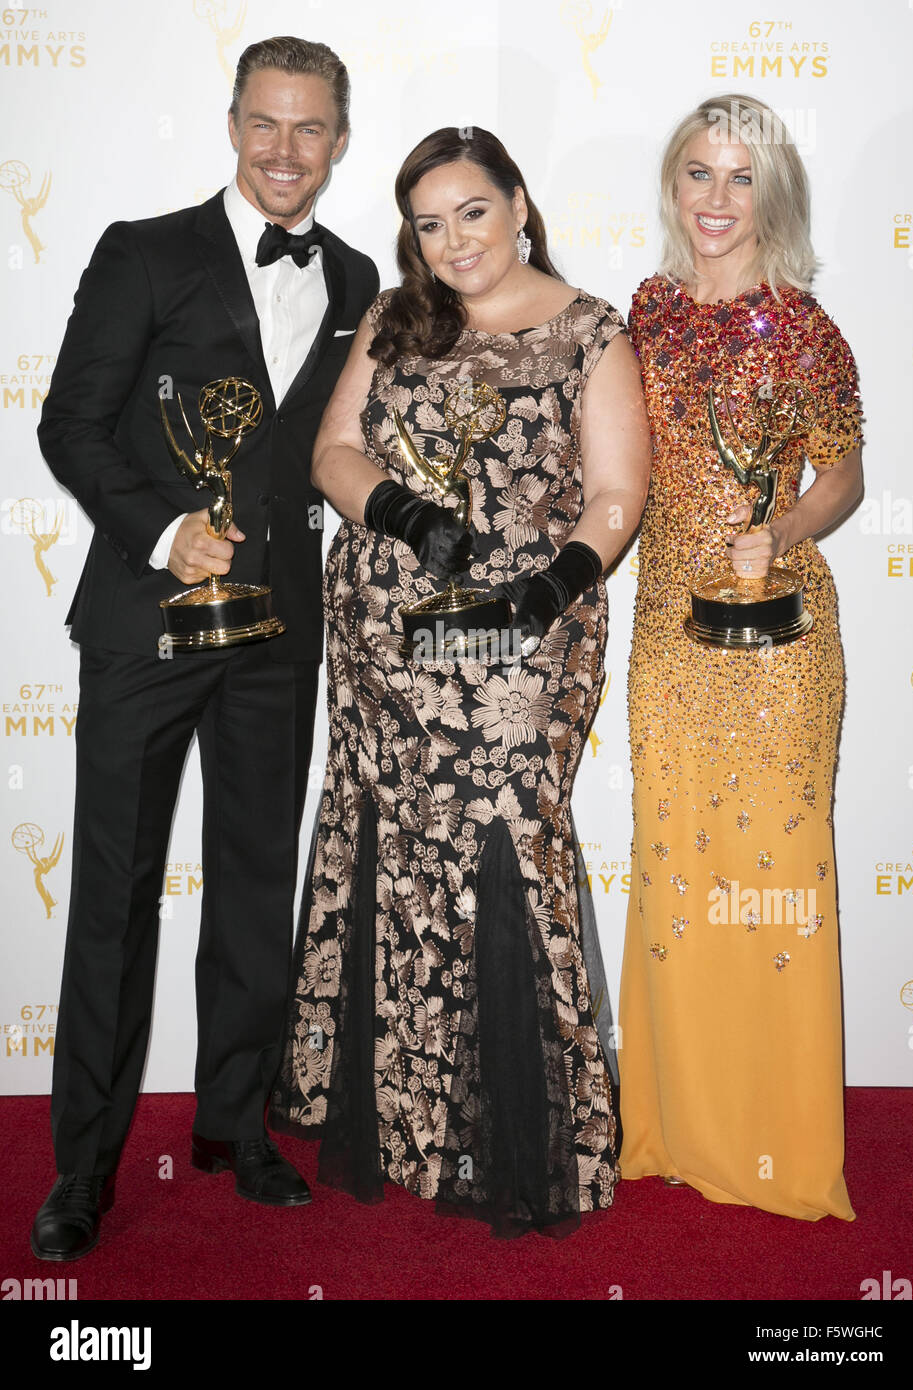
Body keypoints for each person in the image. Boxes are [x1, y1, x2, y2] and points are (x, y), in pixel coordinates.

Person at [31, 36, 378, 1261]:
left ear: (341, 139)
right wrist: (167, 530)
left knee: (249, 887)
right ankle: (83, 1164)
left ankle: (239, 1124)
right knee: (117, 898)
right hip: (143, 625)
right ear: (233, 123)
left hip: (278, 632)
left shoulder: (354, 276)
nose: (286, 152)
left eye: (312, 130)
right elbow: (69, 425)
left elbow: (327, 449)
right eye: (266, 124)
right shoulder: (144, 250)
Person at [268, 127, 651, 1236]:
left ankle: (516, 1134)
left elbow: (617, 494)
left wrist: (545, 594)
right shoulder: (398, 320)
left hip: (525, 638)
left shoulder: (589, 328)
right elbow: (334, 451)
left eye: (471, 212)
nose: (452, 242)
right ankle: (400, 1123)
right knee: (395, 843)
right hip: (390, 627)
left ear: (519, 202)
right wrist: (406, 514)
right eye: (428, 225)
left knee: (502, 842)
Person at [617, 94, 864, 1220]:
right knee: (678, 862)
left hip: (778, 639)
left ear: (774, 193)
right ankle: (674, 1124)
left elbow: (844, 478)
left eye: (740, 178)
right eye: (697, 175)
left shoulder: (806, 327)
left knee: (770, 882)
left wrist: (789, 530)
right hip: (670, 629)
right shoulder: (648, 313)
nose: (717, 200)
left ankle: (775, 1135)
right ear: (674, 186)